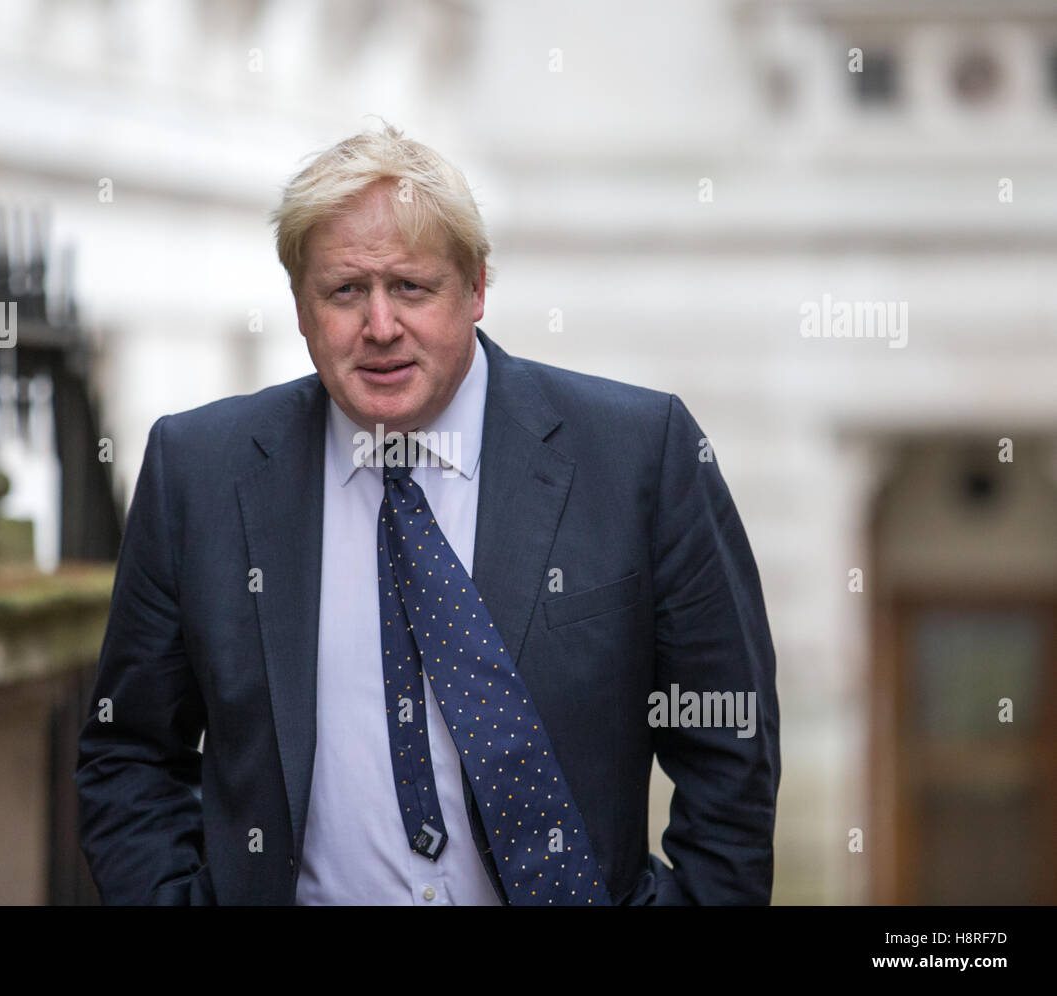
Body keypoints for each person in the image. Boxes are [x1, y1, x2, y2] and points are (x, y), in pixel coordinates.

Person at [75, 123, 780, 906]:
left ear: (476, 289)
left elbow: (730, 742)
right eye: (345, 292)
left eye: (411, 287)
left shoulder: (640, 456)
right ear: (302, 308)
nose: (380, 327)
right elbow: (129, 751)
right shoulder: (198, 471)